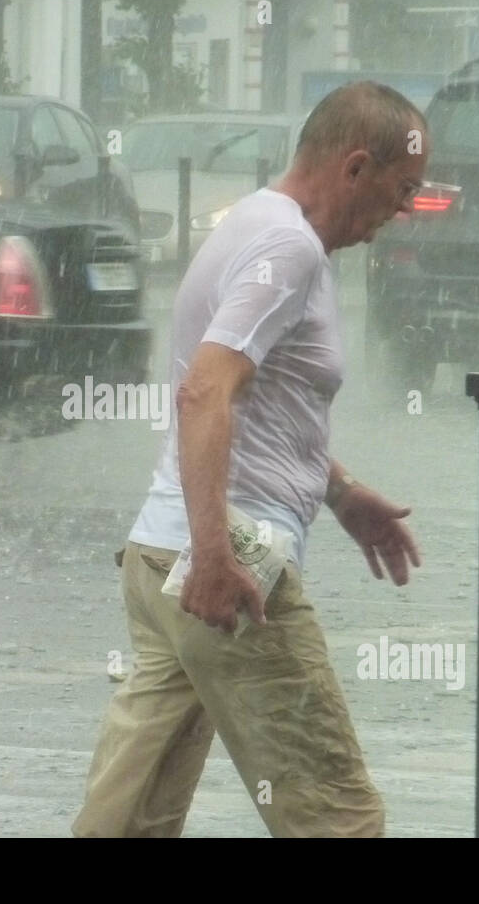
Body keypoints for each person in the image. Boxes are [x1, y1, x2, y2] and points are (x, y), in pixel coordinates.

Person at [72, 82, 427, 838]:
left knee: (127, 822)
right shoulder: (290, 247)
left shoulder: (256, 227)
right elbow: (205, 392)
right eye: (403, 191)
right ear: (354, 167)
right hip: (230, 567)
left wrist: (340, 491)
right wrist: (213, 557)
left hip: (159, 558)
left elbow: (259, 406)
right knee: (339, 819)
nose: (403, 212)